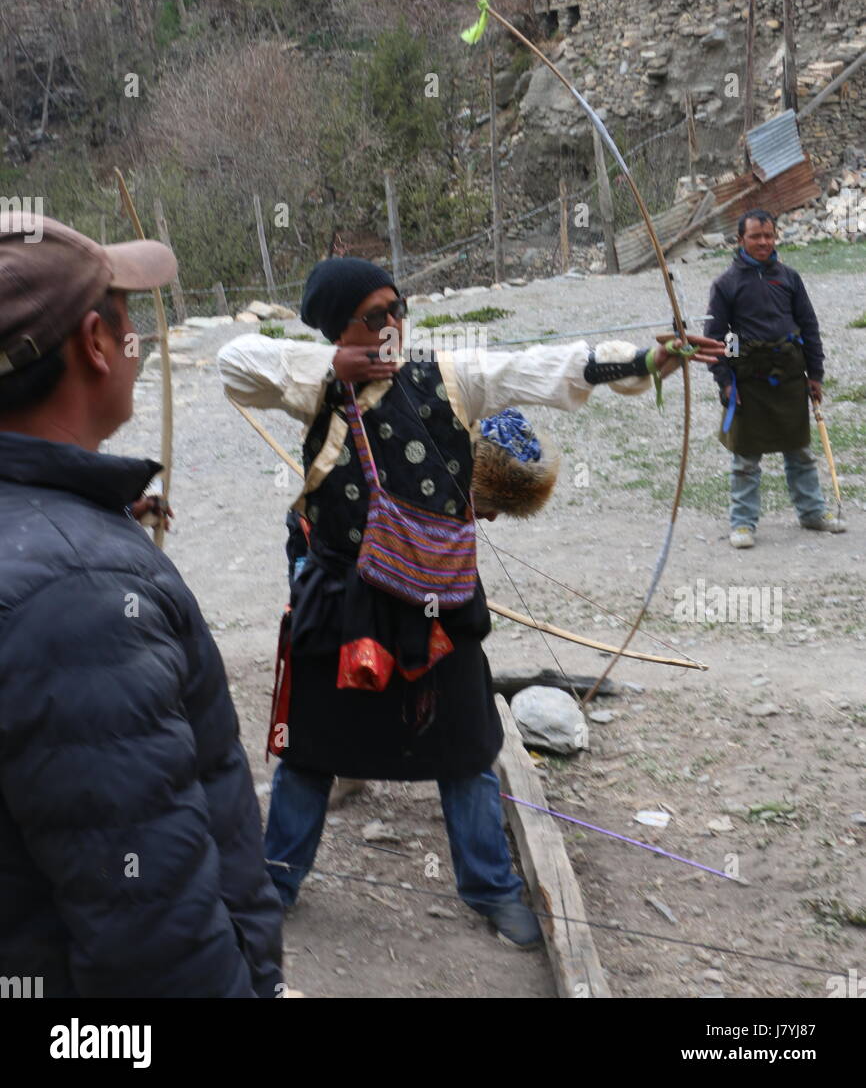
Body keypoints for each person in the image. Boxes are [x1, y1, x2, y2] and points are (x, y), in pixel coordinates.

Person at [218, 257, 723, 948]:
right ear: (342, 325)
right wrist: (335, 367)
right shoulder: (317, 381)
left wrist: (641, 359)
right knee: (311, 751)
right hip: (343, 604)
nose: (394, 323)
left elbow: (544, 368)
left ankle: (490, 889)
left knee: (464, 749)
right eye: (375, 314)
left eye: (399, 308)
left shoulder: (452, 376)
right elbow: (235, 361)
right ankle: (274, 884)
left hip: (437, 602)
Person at [0, 212, 283, 998]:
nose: (141, 343)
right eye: (129, 322)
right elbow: (153, 947)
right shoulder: (81, 602)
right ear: (95, 342)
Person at [703, 208, 844, 549]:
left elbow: (808, 327)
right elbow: (716, 339)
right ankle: (742, 524)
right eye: (755, 236)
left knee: (800, 453)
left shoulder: (790, 278)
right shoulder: (726, 284)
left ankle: (812, 512)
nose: (763, 242)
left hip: (790, 376)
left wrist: (816, 374)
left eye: (768, 235)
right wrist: (725, 381)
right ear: (741, 240)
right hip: (748, 381)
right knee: (745, 459)